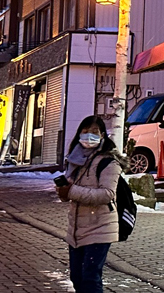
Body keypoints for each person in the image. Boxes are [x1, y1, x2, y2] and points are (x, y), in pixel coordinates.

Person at [55, 116, 125, 293]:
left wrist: (71, 191)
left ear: (103, 135)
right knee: (77, 278)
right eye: (85, 131)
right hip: (77, 229)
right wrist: (63, 191)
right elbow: (71, 190)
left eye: (95, 132)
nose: (89, 136)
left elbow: (107, 194)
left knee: (90, 278)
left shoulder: (109, 162)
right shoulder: (76, 159)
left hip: (100, 227)